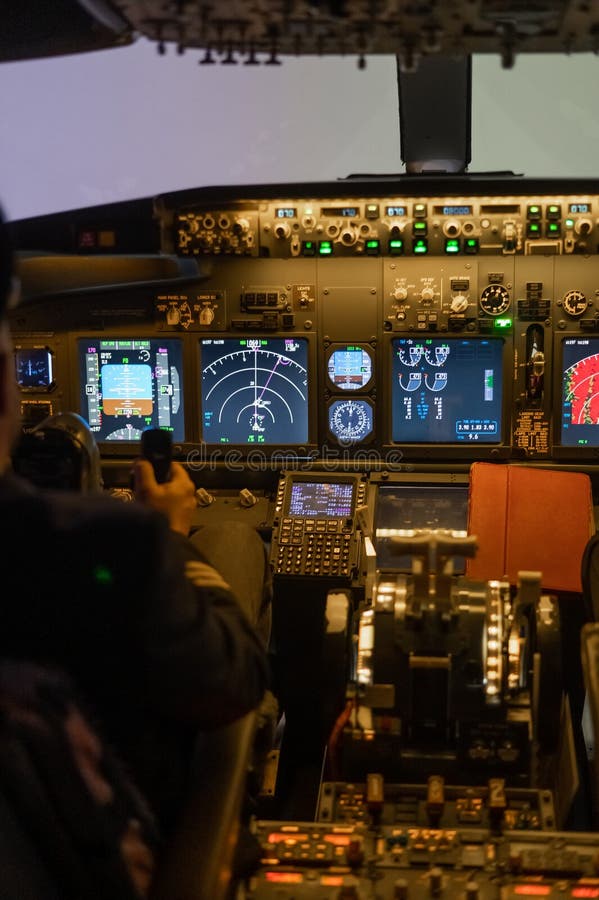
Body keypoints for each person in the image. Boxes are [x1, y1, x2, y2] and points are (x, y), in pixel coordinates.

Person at [0, 204, 273, 836]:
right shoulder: (111, 545)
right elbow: (231, 684)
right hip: (136, 821)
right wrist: (171, 537)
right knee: (233, 536)